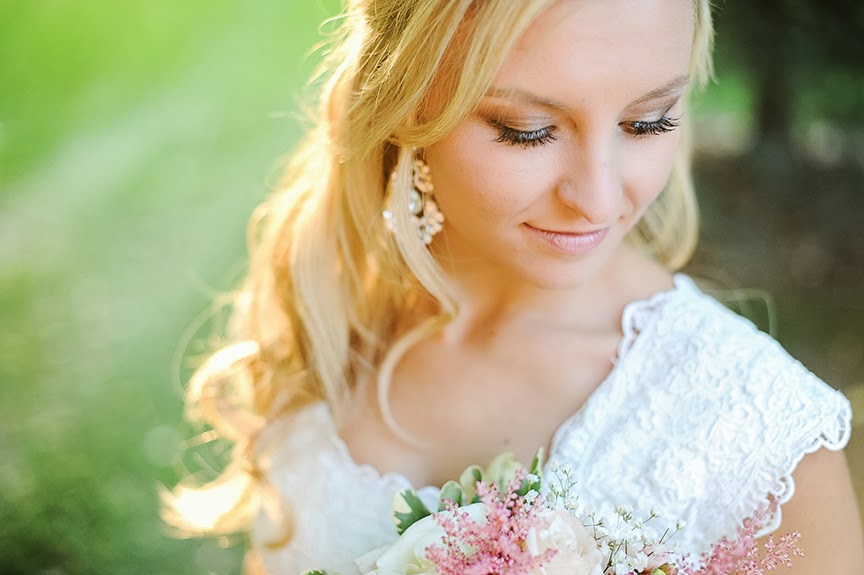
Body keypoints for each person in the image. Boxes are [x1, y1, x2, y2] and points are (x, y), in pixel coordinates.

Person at [164, 0, 864, 573]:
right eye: (526, 130)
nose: (596, 198)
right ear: (406, 104)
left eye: (646, 121)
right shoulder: (338, 315)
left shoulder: (767, 450)